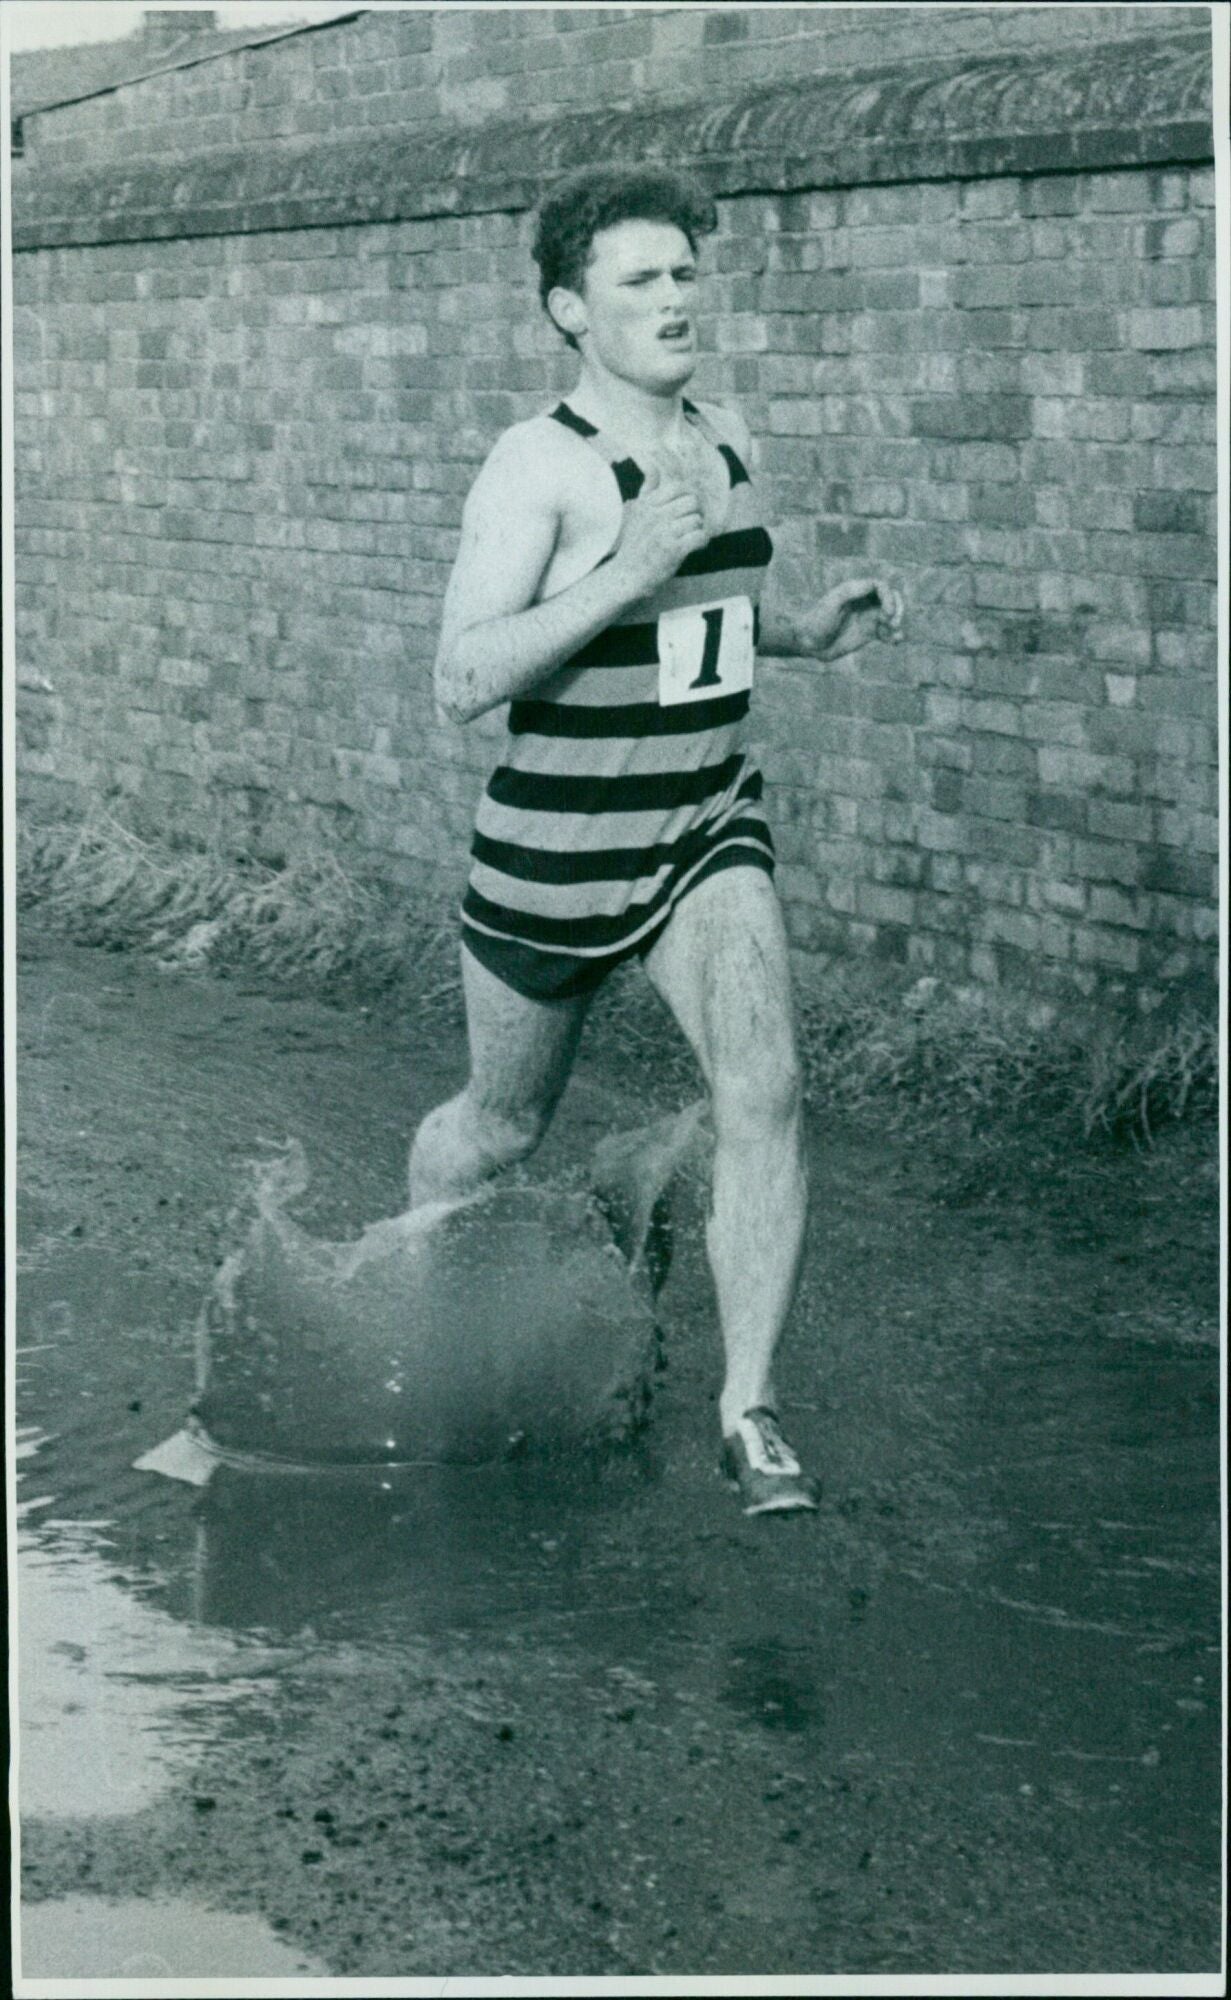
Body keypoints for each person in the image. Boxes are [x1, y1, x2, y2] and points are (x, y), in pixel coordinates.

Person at [408, 164, 903, 1515]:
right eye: (642, 280)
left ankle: (750, 1410)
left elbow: (706, 619)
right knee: (496, 1127)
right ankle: (414, 1309)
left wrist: (801, 627)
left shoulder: (730, 429)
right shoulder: (541, 465)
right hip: (556, 850)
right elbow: (462, 679)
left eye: (687, 272)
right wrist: (623, 563)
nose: (677, 297)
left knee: (770, 1088)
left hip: (701, 826)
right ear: (574, 309)